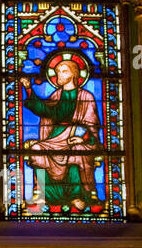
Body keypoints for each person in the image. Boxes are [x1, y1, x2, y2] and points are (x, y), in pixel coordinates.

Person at [20, 53, 100, 212]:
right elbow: (44, 110)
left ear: (73, 74)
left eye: (63, 71)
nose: (59, 76)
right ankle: (42, 194)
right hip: (55, 137)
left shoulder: (86, 96)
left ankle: (76, 195)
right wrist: (28, 88)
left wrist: (82, 138)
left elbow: (92, 126)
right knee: (36, 150)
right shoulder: (57, 95)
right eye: (57, 72)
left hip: (76, 138)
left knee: (76, 153)